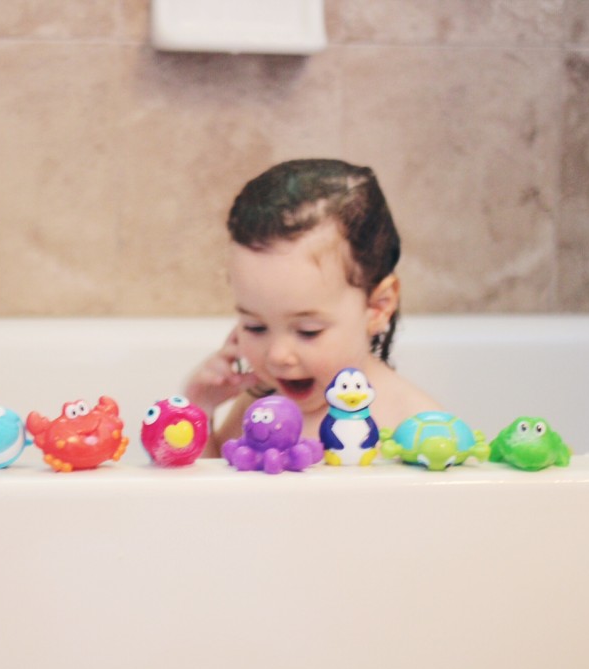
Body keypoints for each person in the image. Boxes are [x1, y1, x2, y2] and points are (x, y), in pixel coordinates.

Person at [184, 159, 440, 458]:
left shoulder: (412, 424)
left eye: (308, 331)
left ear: (378, 307)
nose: (277, 355)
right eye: (255, 326)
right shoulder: (262, 404)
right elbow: (210, 492)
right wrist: (199, 409)